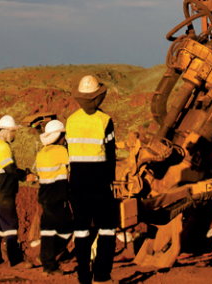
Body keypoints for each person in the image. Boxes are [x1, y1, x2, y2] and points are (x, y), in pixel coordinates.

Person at [67, 75, 116, 284]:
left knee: (81, 232)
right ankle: (102, 276)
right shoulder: (105, 121)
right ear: (98, 97)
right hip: (99, 184)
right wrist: (110, 181)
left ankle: (83, 277)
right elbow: (111, 156)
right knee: (107, 229)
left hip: (76, 184)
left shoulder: (70, 121)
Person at [0, 114, 36, 267]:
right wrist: (25, 177)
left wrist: (23, 174)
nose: (14, 134)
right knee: (11, 223)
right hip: (3, 192)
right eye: (13, 131)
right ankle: (15, 259)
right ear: (6, 131)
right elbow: (10, 169)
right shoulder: (2, 147)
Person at [33, 119, 73, 275]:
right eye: (63, 135)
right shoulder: (61, 151)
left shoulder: (42, 153)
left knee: (48, 232)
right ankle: (46, 258)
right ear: (58, 137)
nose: (65, 138)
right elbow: (74, 160)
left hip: (45, 197)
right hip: (57, 198)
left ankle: (48, 266)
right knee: (67, 229)